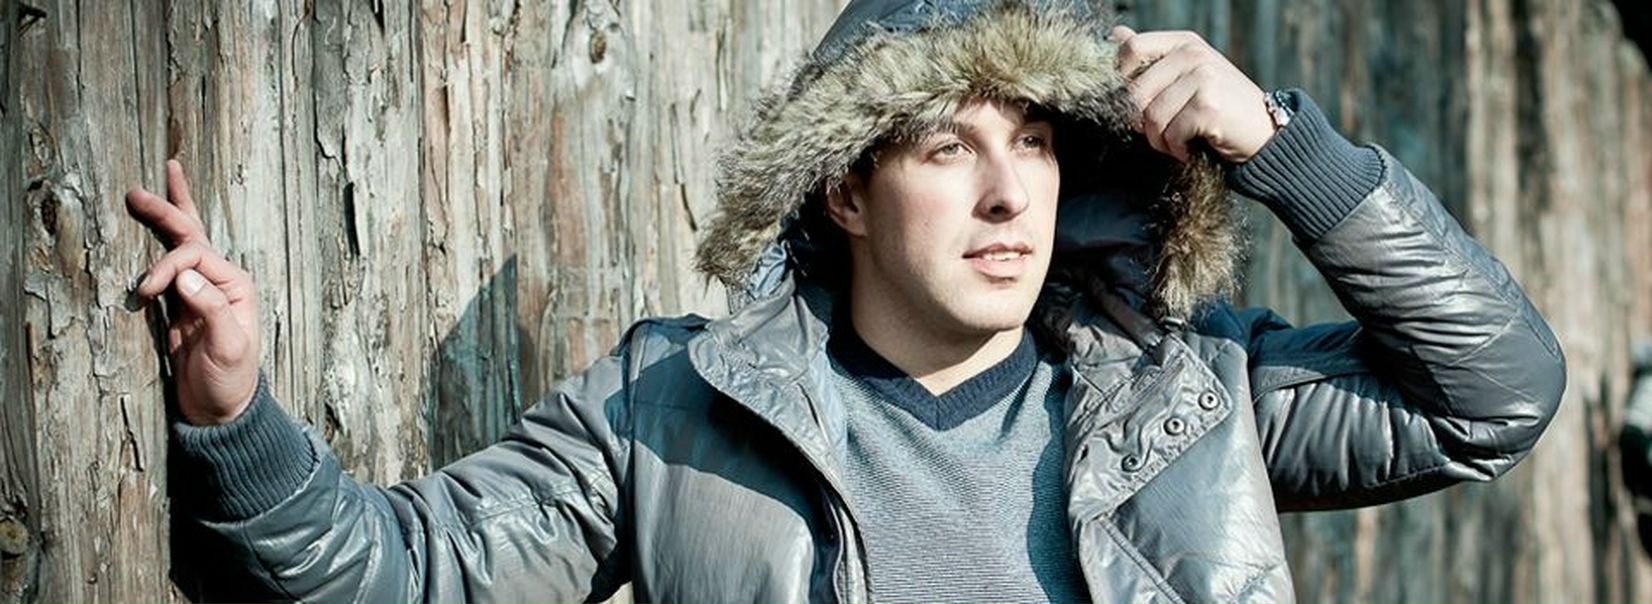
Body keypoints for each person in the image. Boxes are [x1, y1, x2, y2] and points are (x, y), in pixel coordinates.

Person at [125, 1, 1566, 602]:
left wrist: (1287, 153)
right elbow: (403, 577)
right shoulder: (672, 412)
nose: (1009, 197)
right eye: (948, 148)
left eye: (1036, 144)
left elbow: (1493, 396)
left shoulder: (1194, 398)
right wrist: (235, 415)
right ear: (847, 192)